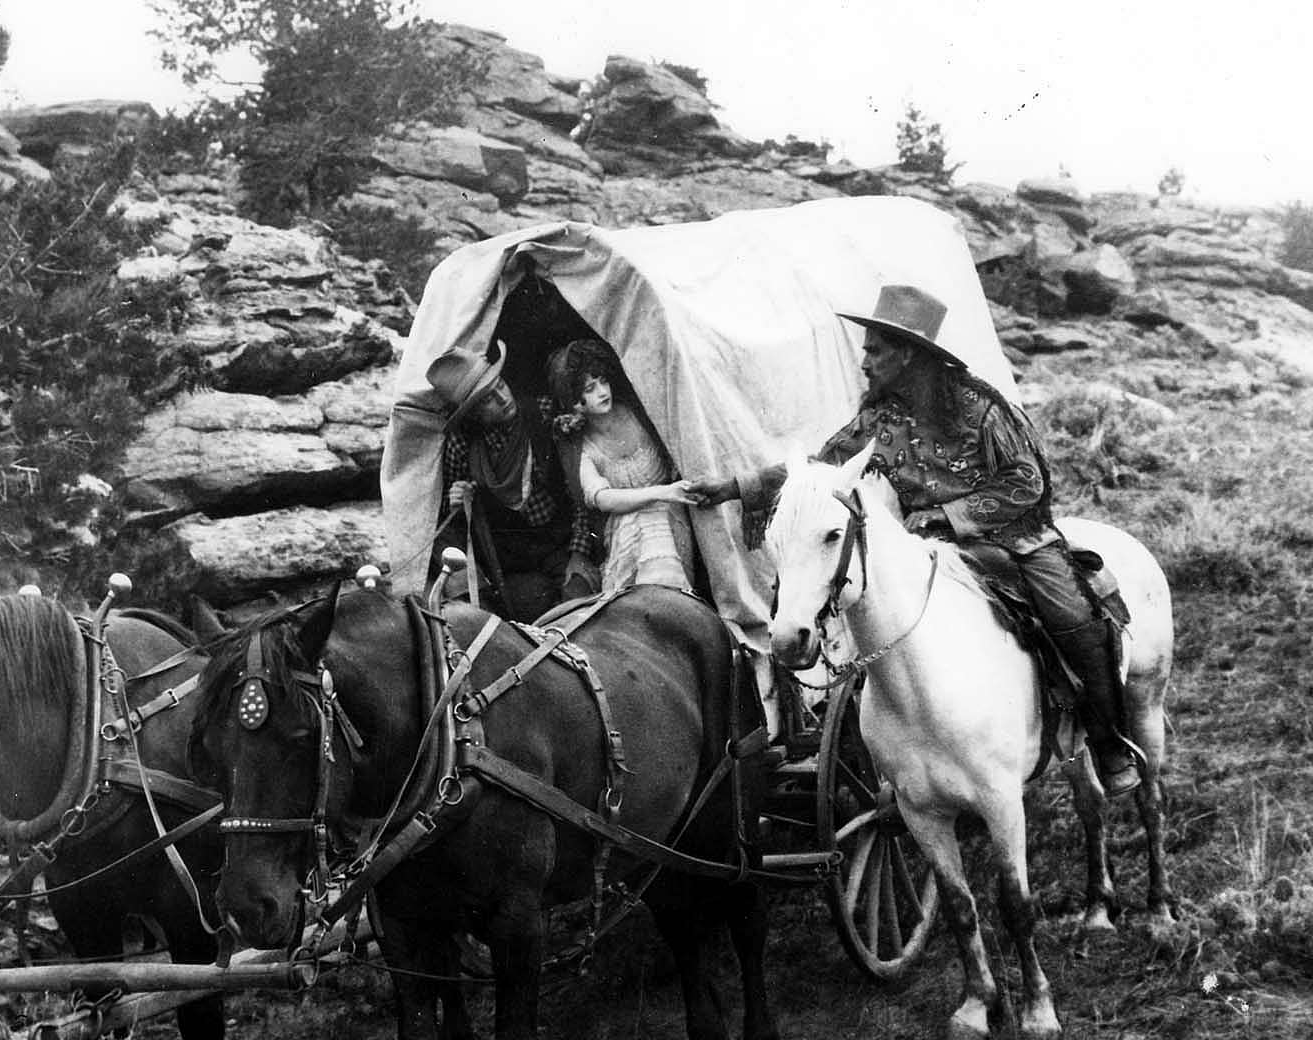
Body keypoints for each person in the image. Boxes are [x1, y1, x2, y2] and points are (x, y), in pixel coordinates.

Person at [687, 283, 1144, 796]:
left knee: (1074, 618)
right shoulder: (879, 420)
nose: (865, 362)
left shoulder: (981, 408)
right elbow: (819, 469)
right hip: (930, 547)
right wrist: (732, 488)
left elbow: (1027, 481)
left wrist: (948, 516)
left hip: (1018, 541)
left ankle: (1107, 742)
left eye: (876, 351)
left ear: (909, 355)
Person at [425, 341, 601, 619]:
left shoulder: (545, 414)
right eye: (488, 399)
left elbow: (579, 494)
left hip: (561, 544)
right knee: (523, 612)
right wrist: (457, 500)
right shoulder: (465, 444)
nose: (503, 398)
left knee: (577, 606)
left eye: (501, 386)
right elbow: (451, 518)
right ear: (472, 413)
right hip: (511, 558)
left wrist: (579, 554)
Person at [546, 339, 699, 591]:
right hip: (624, 526)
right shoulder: (582, 447)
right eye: (590, 388)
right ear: (575, 400)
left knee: (661, 548)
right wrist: (662, 492)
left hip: (670, 513)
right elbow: (602, 499)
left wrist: (669, 494)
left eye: (603, 381)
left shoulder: (638, 412)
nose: (602, 392)